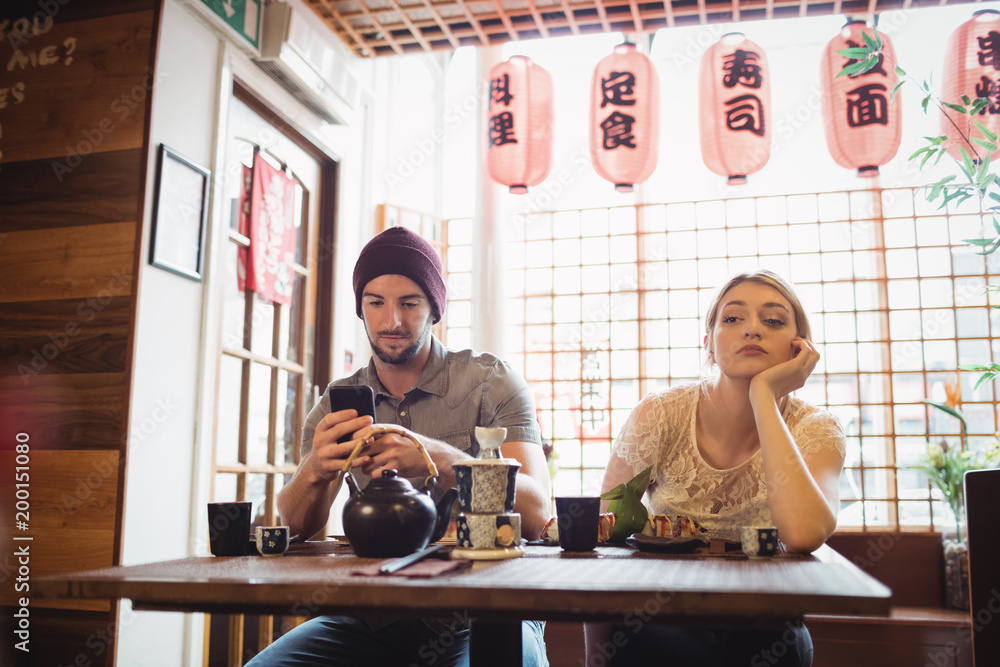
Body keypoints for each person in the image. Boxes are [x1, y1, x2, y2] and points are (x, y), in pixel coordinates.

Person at [248, 226, 551, 667]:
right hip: (371, 617)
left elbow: (539, 515)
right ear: (362, 309)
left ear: (434, 309)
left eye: (409, 303)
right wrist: (316, 470)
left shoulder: (492, 383)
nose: (392, 321)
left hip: (487, 610)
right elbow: (296, 527)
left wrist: (446, 461)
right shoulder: (337, 402)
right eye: (376, 303)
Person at [585, 270, 846, 667]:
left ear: (799, 350)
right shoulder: (660, 414)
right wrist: (595, 660)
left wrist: (764, 394)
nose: (753, 330)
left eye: (773, 321)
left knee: (769, 642)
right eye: (733, 318)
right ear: (709, 345)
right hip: (662, 616)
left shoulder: (817, 429)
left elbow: (803, 535)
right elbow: (603, 536)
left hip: (766, 625)